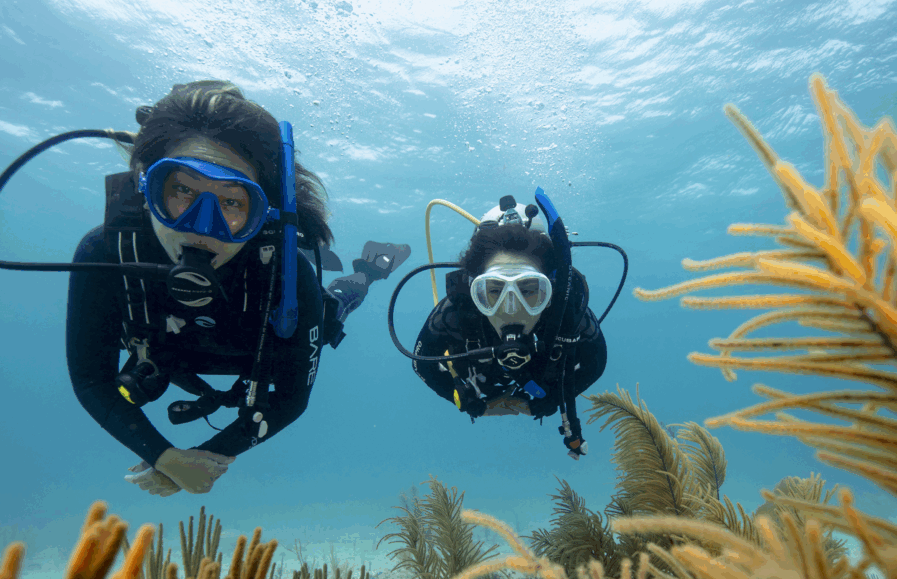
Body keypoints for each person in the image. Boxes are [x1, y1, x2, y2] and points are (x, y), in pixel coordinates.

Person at [66, 80, 410, 496]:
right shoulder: (106, 253)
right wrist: (166, 458)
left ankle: (368, 271)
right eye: (182, 190)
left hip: (260, 338)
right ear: (146, 187)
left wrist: (205, 457)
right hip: (169, 353)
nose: (202, 225)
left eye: (231, 202)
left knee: (332, 306)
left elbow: (291, 400)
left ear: (261, 213)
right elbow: (92, 380)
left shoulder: (287, 275)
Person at [410, 195, 608, 458]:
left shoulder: (566, 312)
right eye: (494, 291)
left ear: (551, 290)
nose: (511, 309)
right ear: (474, 290)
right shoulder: (456, 312)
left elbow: (596, 363)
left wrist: (551, 402)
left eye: (529, 290)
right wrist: (469, 403)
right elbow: (422, 363)